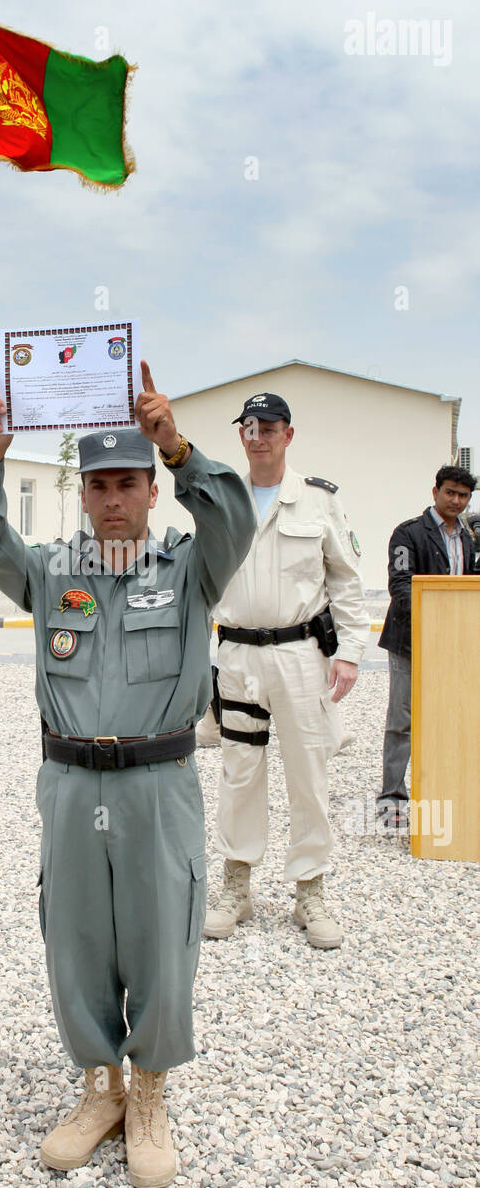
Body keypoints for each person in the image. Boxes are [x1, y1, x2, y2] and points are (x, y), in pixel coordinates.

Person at [0, 363, 255, 1188]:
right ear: (81, 494)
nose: (114, 497)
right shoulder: (53, 573)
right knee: (77, 936)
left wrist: (179, 444)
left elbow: (234, 516)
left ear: (153, 493)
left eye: (129, 482)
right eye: (99, 485)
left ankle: (150, 1092)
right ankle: (100, 1088)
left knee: (161, 934)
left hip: (159, 783)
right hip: (72, 783)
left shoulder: (192, 569)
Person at [203, 393, 370, 950]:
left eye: (269, 426)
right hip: (239, 658)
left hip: (301, 657)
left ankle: (309, 892)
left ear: (288, 434)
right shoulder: (226, 499)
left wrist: (348, 652)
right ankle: (237, 887)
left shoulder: (318, 500)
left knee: (308, 775)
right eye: (248, 426)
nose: (257, 435)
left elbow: (345, 580)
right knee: (239, 773)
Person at [376, 464, 478, 831]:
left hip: (454, 643)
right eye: (450, 492)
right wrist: (435, 620)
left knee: (448, 717)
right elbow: (401, 587)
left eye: (463, 496)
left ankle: (442, 787)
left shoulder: (468, 537)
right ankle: (392, 799)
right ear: (434, 491)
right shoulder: (408, 533)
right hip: (410, 640)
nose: (456, 501)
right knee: (402, 720)